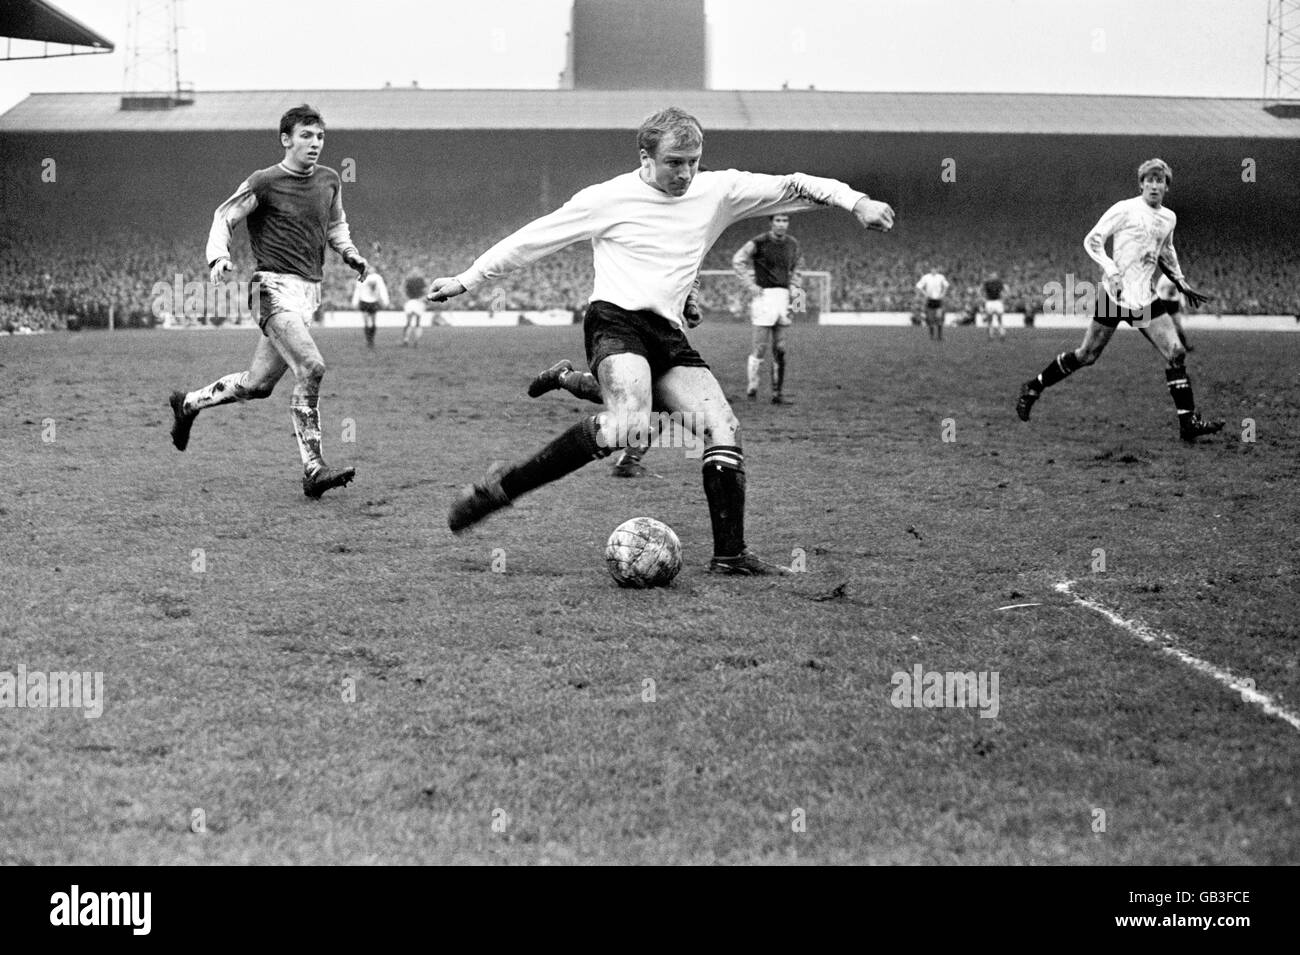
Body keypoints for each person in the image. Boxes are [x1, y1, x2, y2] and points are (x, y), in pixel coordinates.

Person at [430, 106, 893, 574]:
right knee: (630, 424)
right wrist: (467, 279)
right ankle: (501, 489)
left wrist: (856, 203)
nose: (687, 173)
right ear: (645, 158)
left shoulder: (718, 191)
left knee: (723, 427)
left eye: (694, 160)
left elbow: (794, 184)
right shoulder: (607, 199)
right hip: (615, 322)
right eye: (676, 162)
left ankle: (730, 556)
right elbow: (532, 239)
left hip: (668, 333)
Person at [168, 104, 368, 498]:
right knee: (311, 366)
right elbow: (224, 215)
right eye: (307, 136)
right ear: (286, 139)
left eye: (320, 136)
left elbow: (335, 225)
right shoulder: (264, 182)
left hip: (307, 293)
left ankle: (187, 404)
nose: (315, 143)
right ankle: (313, 469)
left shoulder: (329, 180)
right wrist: (219, 256)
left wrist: (349, 252)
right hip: (270, 288)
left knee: (258, 385)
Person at [1015, 159, 1222, 443]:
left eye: (1159, 180)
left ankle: (1188, 422)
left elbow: (1167, 251)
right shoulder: (1125, 209)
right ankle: (1033, 387)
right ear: (1141, 184)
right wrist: (1111, 270)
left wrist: (1180, 280)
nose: (1153, 185)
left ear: (1166, 187)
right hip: (1115, 297)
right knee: (1087, 355)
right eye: (1148, 179)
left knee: (1176, 352)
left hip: (1145, 300)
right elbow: (1092, 240)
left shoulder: (1168, 218)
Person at [526, 281, 704, 479]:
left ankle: (628, 461)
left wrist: (691, 304)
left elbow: (690, 275)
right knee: (641, 395)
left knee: (650, 397)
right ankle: (562, 377)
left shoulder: (684, 251)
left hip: (666, 330)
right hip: (633, 323)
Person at [732, 213, 800, 403]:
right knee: (760, 348)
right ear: (771, 223)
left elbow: (797, 268)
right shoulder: (759, 242)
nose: (781, 224)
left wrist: (794, 287)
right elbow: (738, 260)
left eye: (785, 220)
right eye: (778, 220)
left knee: (781, 348)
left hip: (783, 297)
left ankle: (777, 393)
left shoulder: (792, 244)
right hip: (764, 297)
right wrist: (750, 285)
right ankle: (752, 388)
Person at [353, 261, 389, 348]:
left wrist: (384, 300)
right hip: (364, 301)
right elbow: (358, 290)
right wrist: (355, 301)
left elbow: (382, 289)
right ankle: (368, 339)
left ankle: (371, 339)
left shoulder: (378, 278)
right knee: (366, 322)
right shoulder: (361, 277)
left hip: (373, 301)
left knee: (373, 322)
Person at [1155, 273, 1193, 352]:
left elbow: (1181, 292)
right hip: (1164, 302)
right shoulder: (1164, 278)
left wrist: (1183, 306)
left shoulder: (1179, 278)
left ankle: (1184, 345)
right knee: (1165, 325)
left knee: (1178, 325)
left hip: (1174, 304)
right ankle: (1162, 344)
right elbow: (1158, 289)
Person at [915, 266, 949, 340]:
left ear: (937, 270)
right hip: (930, 300)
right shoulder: (926, 277)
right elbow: (918, 286)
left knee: (939, 318)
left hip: (938, 300)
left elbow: (946, 285)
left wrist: (943, 294)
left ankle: (940, 336)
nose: (933, 270)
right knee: (930, 319)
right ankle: (932, 336)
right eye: (932, 269)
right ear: (930, 270)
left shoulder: (941, 277)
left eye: (935, 269)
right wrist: (924, 293)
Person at [402, 270, 428, 347]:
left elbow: (403, 290)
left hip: (410, 302)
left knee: (409, 322)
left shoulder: (408, 281)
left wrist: (406, 299)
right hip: (418, 302)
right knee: (417, 322)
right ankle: (416, 340)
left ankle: (406, 339)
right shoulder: (422, 281)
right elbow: (426, 291)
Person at [981, 271, 1007, 340]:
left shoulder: (987, 283)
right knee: (997, 319)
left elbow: (981, 291)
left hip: (992, 302)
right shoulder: (998, 283)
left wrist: (983, 298)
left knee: (992, 320)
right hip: (995, 302)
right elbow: (1005, 291)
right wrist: (1003, 299)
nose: (993, 277)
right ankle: (1000, 334)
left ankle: (993, 335)